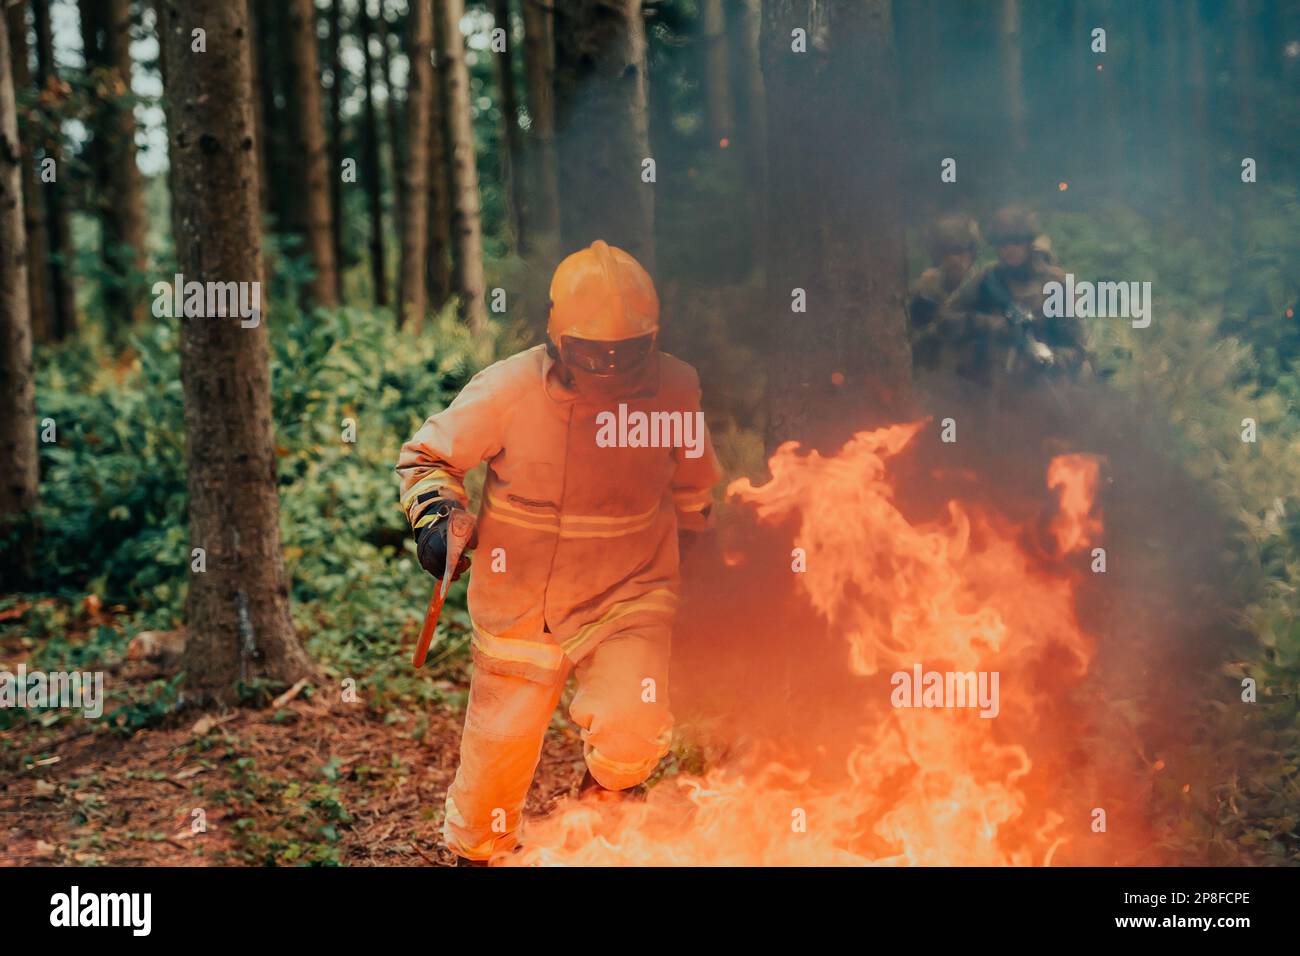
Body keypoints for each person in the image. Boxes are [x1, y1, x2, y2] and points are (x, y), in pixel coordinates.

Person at [396, 240, 721, 865]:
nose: (607, 366)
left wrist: (702, 558)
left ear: (649, 340)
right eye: (592, 351)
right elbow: (429, 456)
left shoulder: (676, 387)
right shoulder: (510, 387)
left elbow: (693, 486)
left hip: (632, 593)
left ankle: (597, 813)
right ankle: (477, 857)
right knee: (494, 762)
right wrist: (436, 519)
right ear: (557, 337)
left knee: (634, 723)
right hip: (520, 601)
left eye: (622, 352)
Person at [942, 205, 1089, 384]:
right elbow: (947, 317)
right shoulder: (988, 277)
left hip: (1041, 383)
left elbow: (1077, 347)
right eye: (1003, 244)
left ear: (1028, 244)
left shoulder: (1056, 283)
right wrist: (991, 324)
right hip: (990, 380)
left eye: (1016, 242)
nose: (1009, 250)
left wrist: (1050, 359)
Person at [909, 215, 981, 370]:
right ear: (939, 255)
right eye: (951, 251)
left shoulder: (983, 285)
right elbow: (908, 338)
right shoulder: (925, 287)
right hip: (933, 375)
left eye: (964, 250)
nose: (958, 259)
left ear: (972, 253)